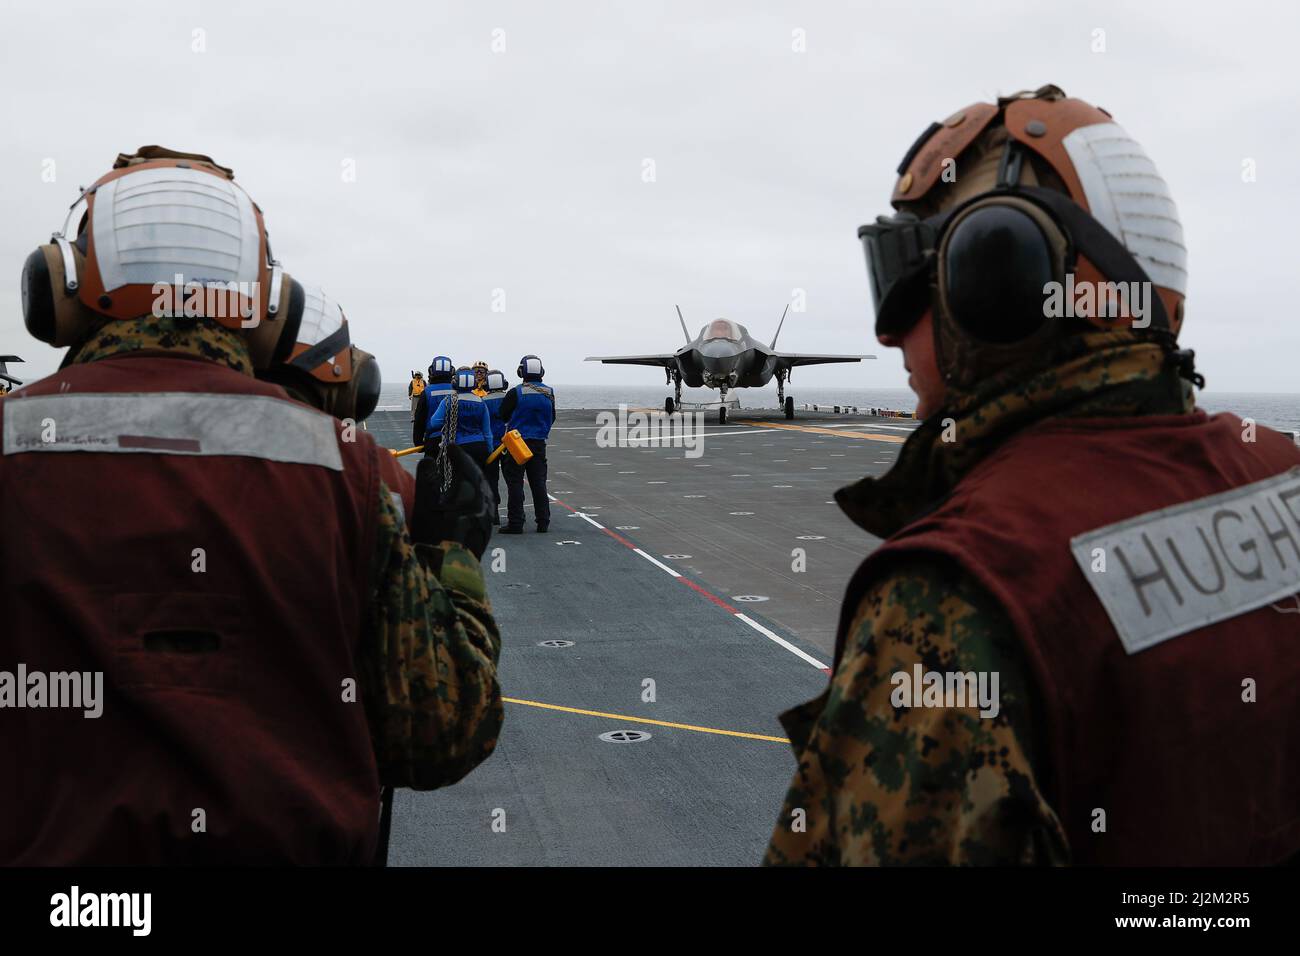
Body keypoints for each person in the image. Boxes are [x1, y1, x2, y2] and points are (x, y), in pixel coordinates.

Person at [765, 85, 1300, 867]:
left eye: (912, 273)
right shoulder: (1281, 475)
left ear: (996, 278)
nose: (887, 331)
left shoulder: (959, 588)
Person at [3, 146, 502, 865]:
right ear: (272, 305)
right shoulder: (346, 466)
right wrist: (451, 557)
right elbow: (440, 733)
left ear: (60, 286)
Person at [498, 354, 555, 534]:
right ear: (542, 372)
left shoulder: (516, 392)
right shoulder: (549, 392)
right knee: (538, 482)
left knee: (515, 483)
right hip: (539, 443)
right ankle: (543, 522)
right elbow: (552, 417)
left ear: (521, 371)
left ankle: (516, 523)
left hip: (517, 443)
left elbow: (503, 415)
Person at [426, 366, 494, 471]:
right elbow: (487, 432)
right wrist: (489, 451)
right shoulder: (481, 403)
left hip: (457, 447)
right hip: (479, 447)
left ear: (454, 382)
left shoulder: (448, 401)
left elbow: (434, 423)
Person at [481, 369, 511, 525]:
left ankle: (494, 516)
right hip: (509, 445)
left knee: (491, 481)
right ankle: (516, 514)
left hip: (490, 447)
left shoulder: (483, 401)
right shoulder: (509, 398)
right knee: (513, 481)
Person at [412, 355, 454, 446]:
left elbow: (419, 419)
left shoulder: (427, 392)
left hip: (432, 439)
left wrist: (418, 442)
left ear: (431, 371)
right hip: (455, 439)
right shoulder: (457, 391)